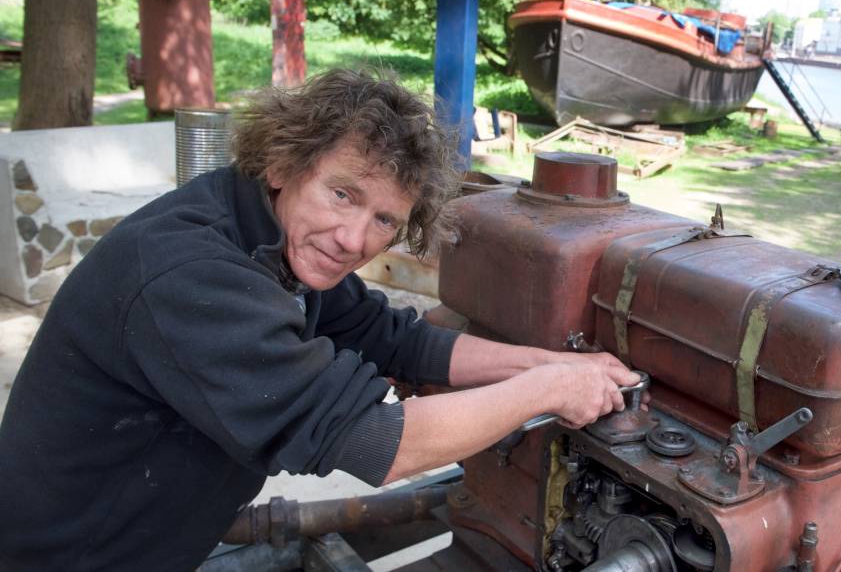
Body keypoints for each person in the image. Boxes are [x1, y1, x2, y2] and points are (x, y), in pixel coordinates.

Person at [0, 69, 641, 570]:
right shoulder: (193, 274)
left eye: (384, 220)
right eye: (343, 194)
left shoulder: (277, 236)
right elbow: (378, 443)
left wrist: (556, 363)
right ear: (283, 164)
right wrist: (548, 392)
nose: (353, 238)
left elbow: (398, 341)